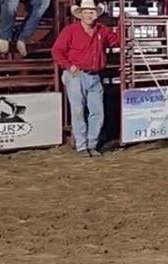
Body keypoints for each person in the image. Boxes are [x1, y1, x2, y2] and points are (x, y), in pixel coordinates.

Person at [51, 0, 120, 156]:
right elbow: (57, 51)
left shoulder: (102, 30)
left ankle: (91, 144)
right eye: (86, 12)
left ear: (96, 14)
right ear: (80, 14)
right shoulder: (70, 31)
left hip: (94, 75)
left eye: (92, 12)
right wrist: (70, 67)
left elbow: (117, 40)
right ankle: (83, 146)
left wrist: (123, 23)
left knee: (97, 112)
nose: (89, 15)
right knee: (78, 110)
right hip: (77, 74)